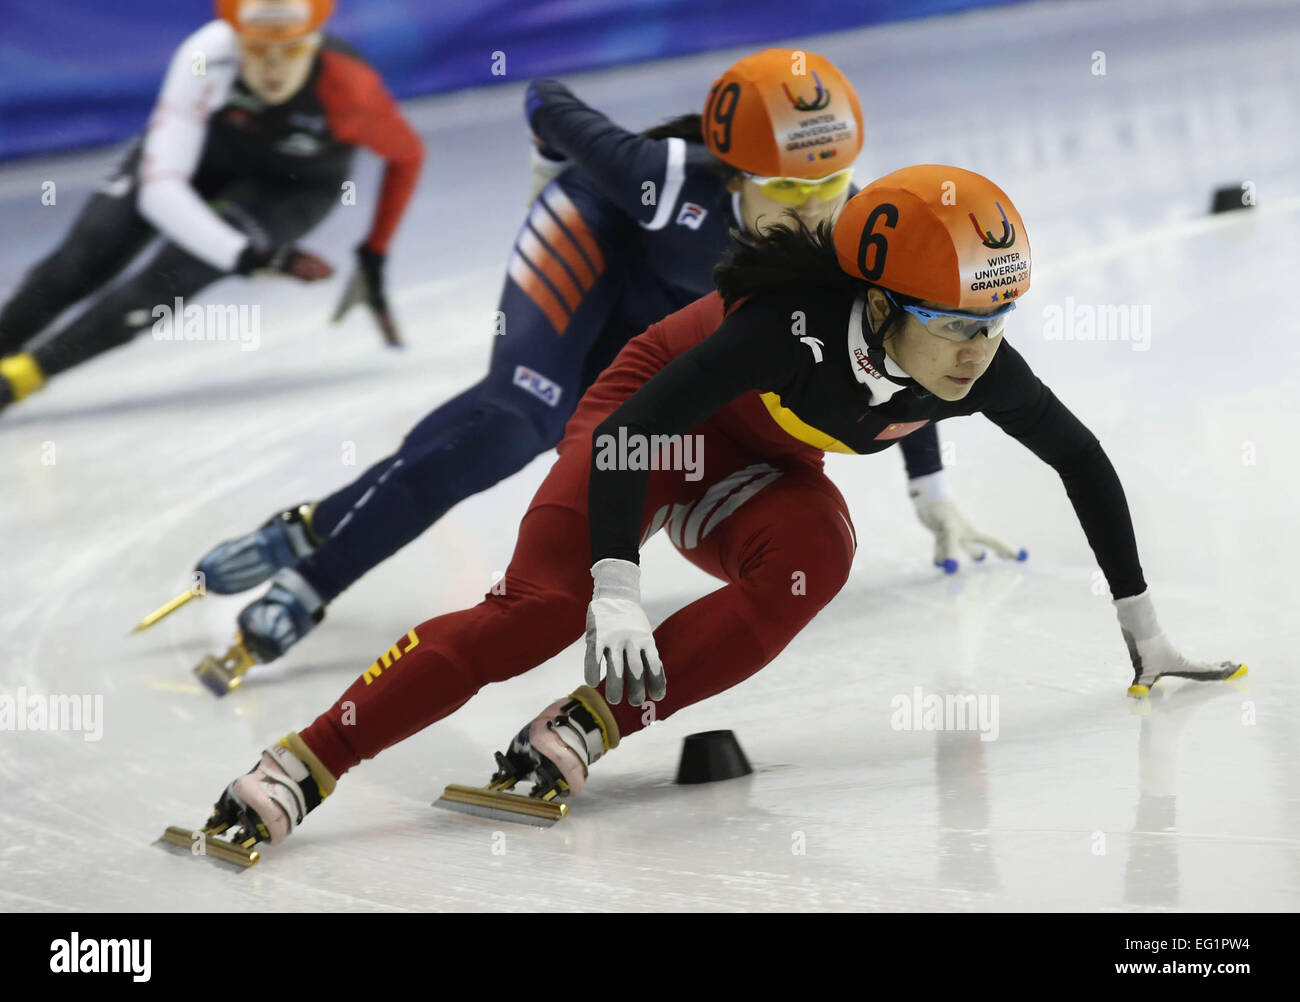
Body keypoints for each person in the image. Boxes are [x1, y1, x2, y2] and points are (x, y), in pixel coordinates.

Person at [184, 164, 1244, 853]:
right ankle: (304, 760)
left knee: (815, 551)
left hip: (748, 464)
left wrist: (1144, 636)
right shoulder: (784, 327)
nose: (981, 351)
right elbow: (634, 430)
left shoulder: (973, 359)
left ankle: (585, 725)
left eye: (998, 321)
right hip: (641, 429)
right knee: (541, 613)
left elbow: (1082, 459)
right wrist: (614, 587)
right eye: (955, 324)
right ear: (877, 304)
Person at [169, 49, 1020, 673]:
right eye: (790, 188)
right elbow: (545, 94)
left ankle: (310, 526)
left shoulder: (849, 222)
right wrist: (551, 168)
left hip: (662, 300)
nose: (815, 207)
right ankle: (317, 575)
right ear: (733, 173)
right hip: (588, 233)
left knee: (586, 430)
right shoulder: (654, 177)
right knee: (518, 420)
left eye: (833, 181)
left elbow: (889, 350)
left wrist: (929, 489)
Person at [0, 0, 422, 411]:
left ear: (313, 44)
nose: (273, 68)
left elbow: (408, 156)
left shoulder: (351, 90)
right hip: (203, 157)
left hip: (289, 188)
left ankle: (14, 382)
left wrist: (374, 254)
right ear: (234, 41)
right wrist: (245, 255)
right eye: (257, 50)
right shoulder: (204, 56)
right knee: (86, 255)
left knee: (170, 278)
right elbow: (160, 189)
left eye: (290, 50)